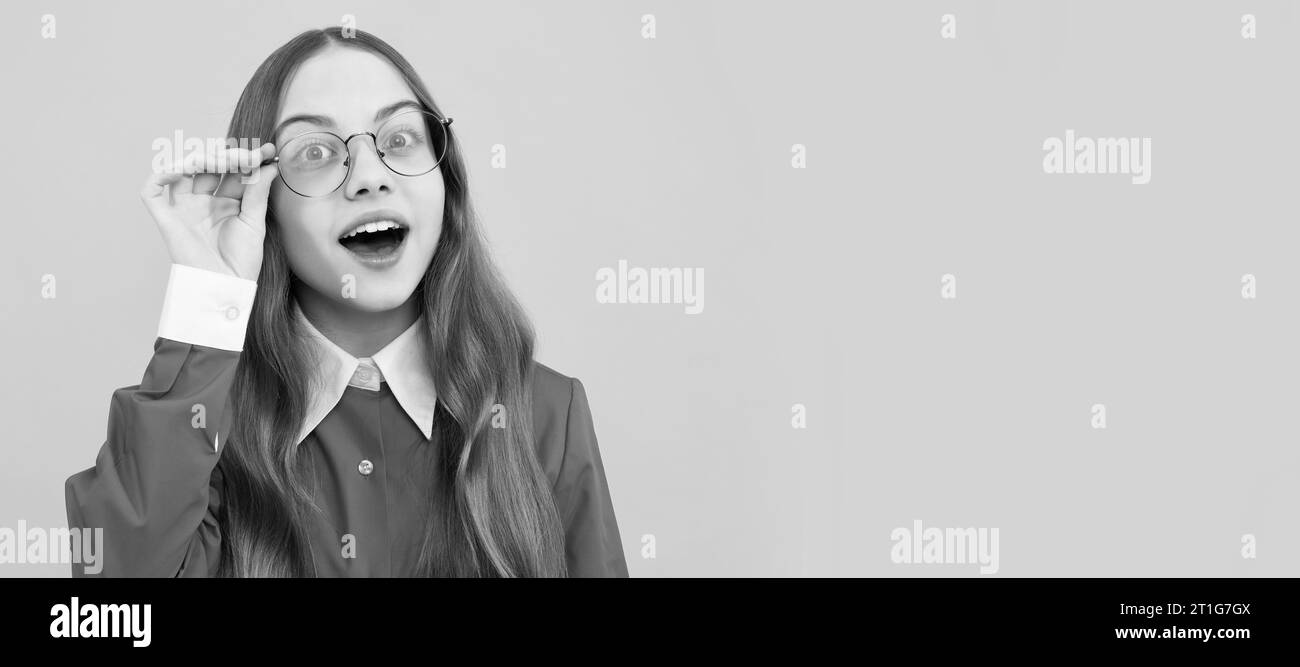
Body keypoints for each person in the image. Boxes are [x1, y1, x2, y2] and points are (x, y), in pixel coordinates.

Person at [64, 26, 628, 577]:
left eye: (400, 139)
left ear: (445, 181)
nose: (368, 177)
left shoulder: (547, 413)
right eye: (315, 151)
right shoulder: (202, 424)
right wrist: (210, 296)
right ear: (264, 206)